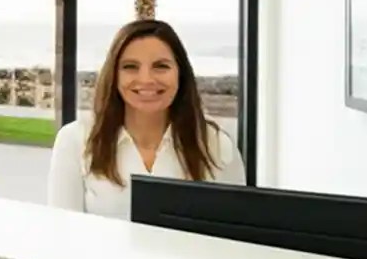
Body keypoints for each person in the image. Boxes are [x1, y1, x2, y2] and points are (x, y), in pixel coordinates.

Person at [47, 19, 245, 218]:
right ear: (114, 75)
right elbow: (64, 237)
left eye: (161, 66)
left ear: (180, 74)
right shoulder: (75, 141)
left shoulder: (218, 146)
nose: (146, 79)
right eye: (130, 66)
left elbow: (236, 236)